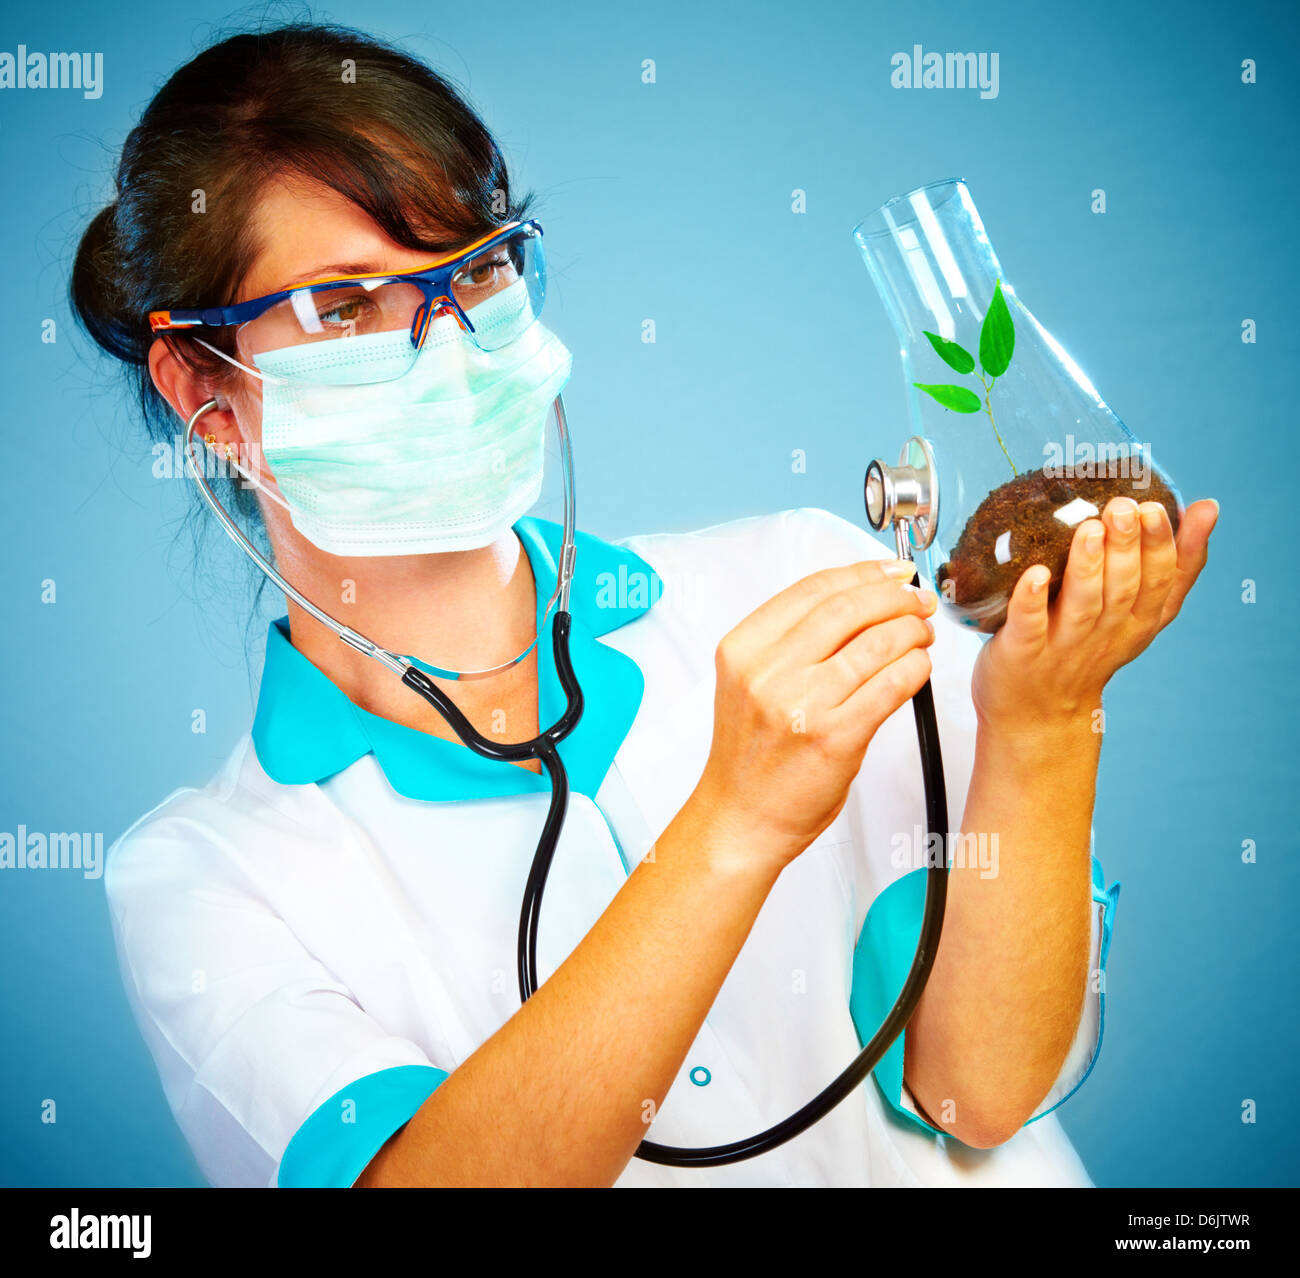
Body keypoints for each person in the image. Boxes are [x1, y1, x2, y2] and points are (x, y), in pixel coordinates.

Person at [72, 23, 1217, 1189]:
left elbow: (982, 1091)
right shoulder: (207, 878)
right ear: (207, 394)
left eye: (474, 268)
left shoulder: (802, 588)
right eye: (343, 304)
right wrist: (736, 821)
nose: (448, 342)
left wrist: (1040, 723)